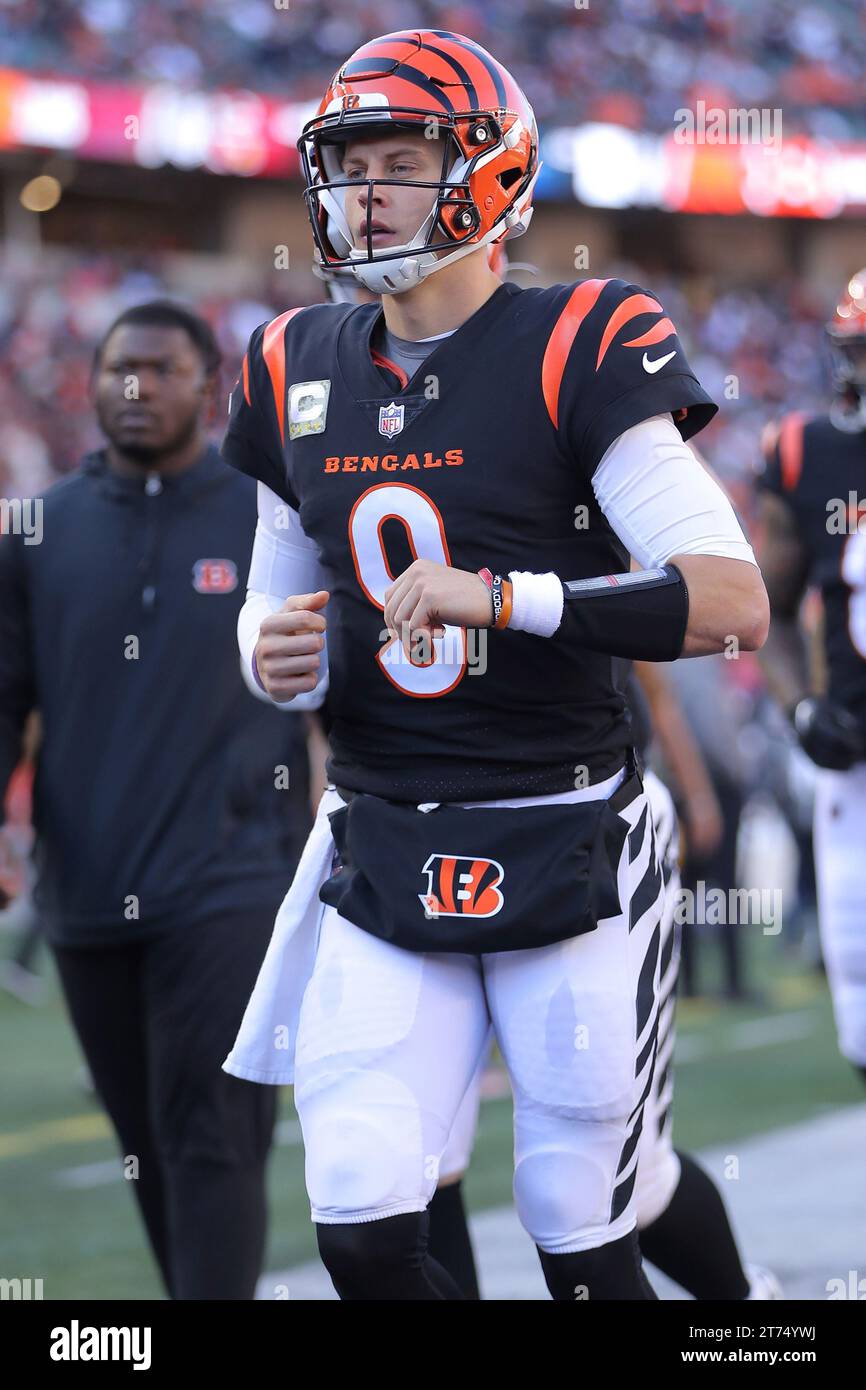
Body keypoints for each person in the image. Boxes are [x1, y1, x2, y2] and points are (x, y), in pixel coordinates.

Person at [221, 29, 768, 1301]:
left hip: (563, 823)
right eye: (348, 164)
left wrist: (506, 598)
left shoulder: (581, 333)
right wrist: (270, 655)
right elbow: (267, 606)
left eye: (400, 162)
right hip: (381, 824)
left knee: (575, 1217)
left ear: (485, 177)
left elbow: (726, 597)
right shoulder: (289, 360)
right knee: (356, 1213)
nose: (363, 193)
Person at [0, 300, 312, 1299]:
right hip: (86, 891)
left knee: (213, 1137)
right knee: (144, 1141)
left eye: (162, 369)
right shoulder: (38, 527)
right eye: (118, 369)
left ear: (208, 385)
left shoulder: (266, 509)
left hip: (233, 879)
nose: (137, 388)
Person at [755, 269, 866, 1086]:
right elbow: (772, 610)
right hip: (853, 767)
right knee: (861, 1010)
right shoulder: (807, 452)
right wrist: (799, 711)